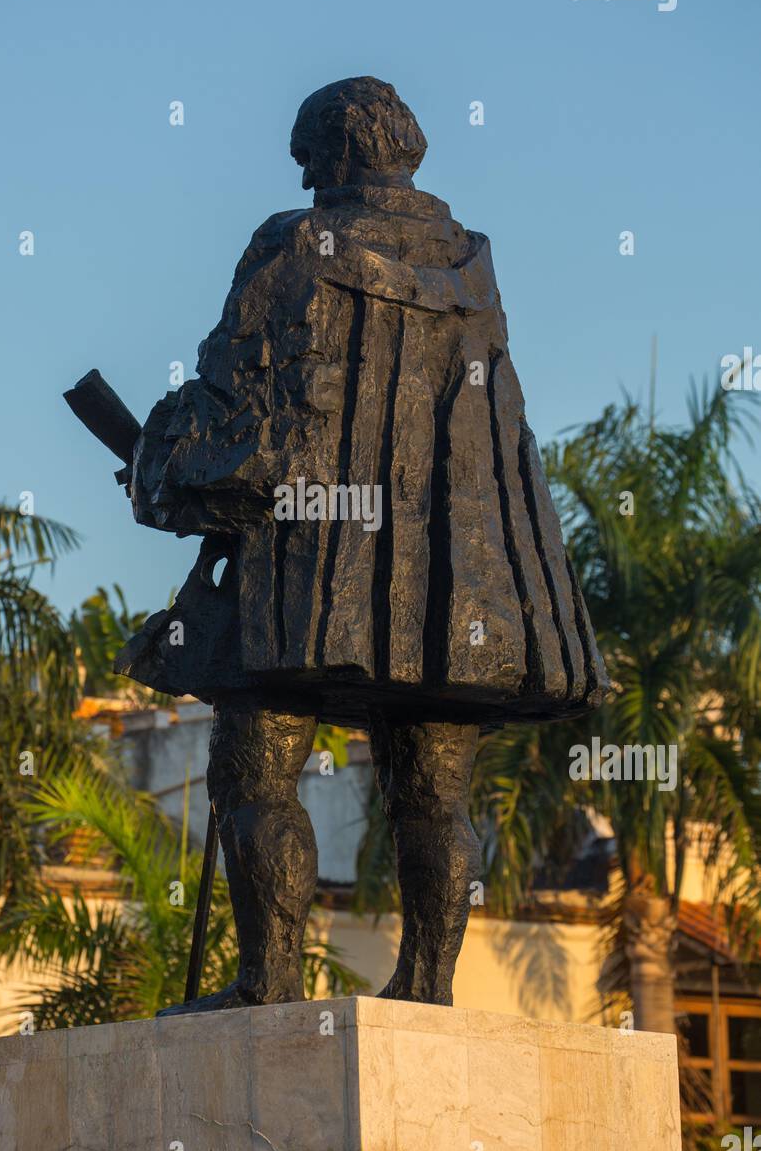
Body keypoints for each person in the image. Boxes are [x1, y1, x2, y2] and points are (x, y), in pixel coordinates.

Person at [117, 77, 609, 1012]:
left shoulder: (295, 243)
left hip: (307, 576)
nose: (304, 177)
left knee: (253, 773)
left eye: (308, 158)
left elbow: (240, 405)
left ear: (335, 155)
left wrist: (160, 453)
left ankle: (269, 981)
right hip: (452, 590)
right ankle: (428, 989)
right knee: (434, 794)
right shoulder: (476, 266)